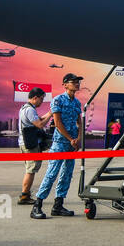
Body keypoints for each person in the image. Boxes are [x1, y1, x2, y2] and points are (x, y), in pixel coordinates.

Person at [31, 73, 83, 219]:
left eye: (78, 82)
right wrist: (70, 138)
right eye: (74, 82)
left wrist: (78, 138)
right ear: (65, 84)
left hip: (71, 145)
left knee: (67, 174)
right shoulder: (58, 100)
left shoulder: (77, 102)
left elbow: (79, 122)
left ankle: (58, 205)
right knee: (52, 173)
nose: (77, 84)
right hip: (60, 143)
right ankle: (37, 205)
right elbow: (57, 122)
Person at [18, 87, 50, 205]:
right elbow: (40, 124)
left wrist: (49, 113)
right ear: (35, 98)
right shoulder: (30, 110)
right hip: (30, 145)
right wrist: (51, 115)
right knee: (30, 170)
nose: (42, 101)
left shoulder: (25, 108)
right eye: (41, 99)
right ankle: (24, 195)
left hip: (25, 143)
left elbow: (38, 119)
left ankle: (25, 194)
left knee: (30, 169)